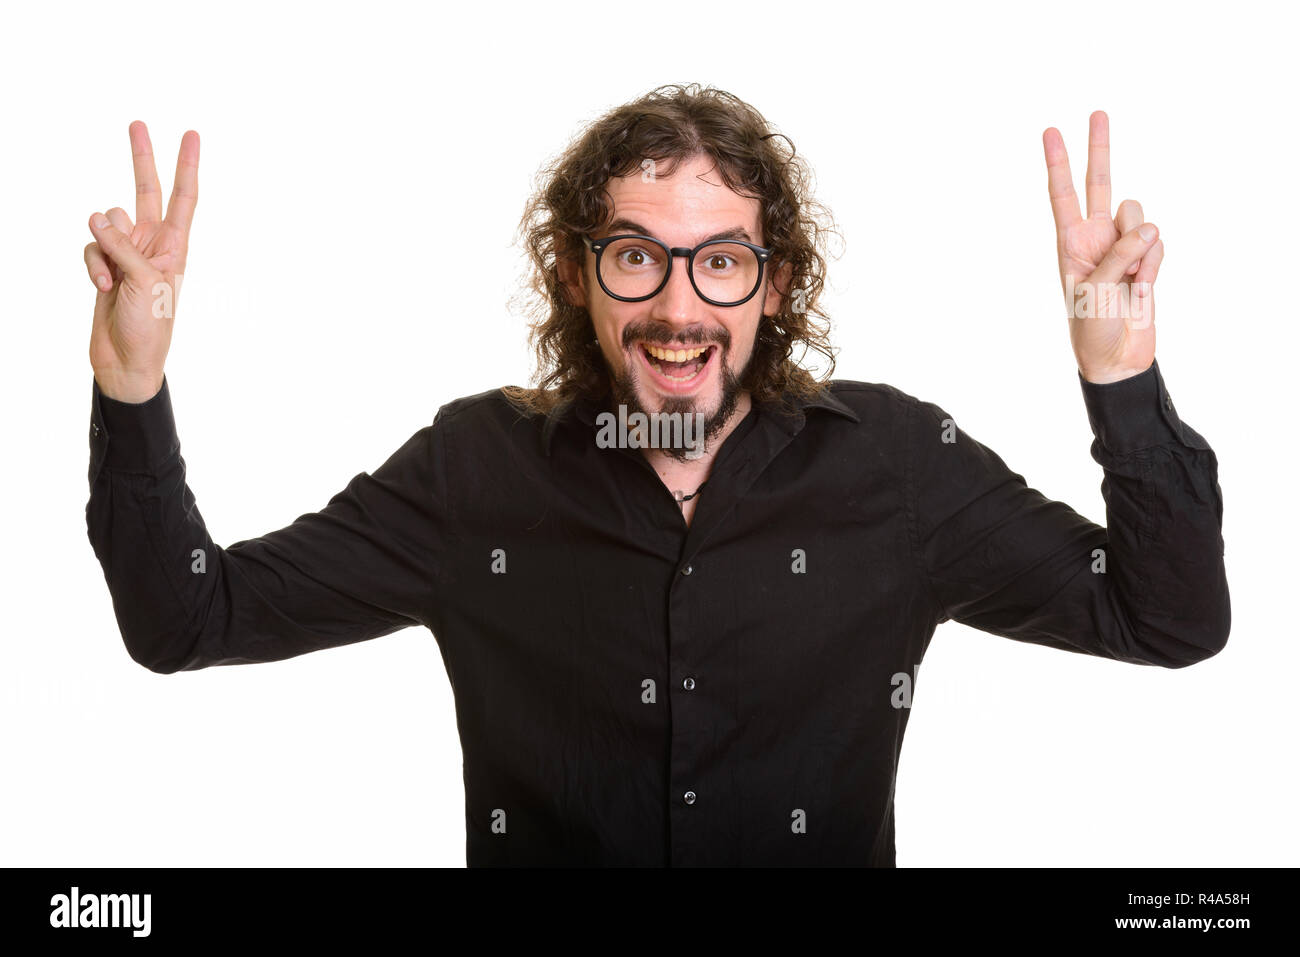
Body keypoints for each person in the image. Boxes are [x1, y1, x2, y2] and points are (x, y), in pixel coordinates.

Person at [83, 84, 1229, 866]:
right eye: (636, 256)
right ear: (577, 276)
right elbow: (189, 619)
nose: (679, 308)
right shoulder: (471, 471)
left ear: (774, 287)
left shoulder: (895, 466)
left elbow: (1168, 619)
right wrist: (133, 391)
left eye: (721, 261)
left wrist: (1120, 381)